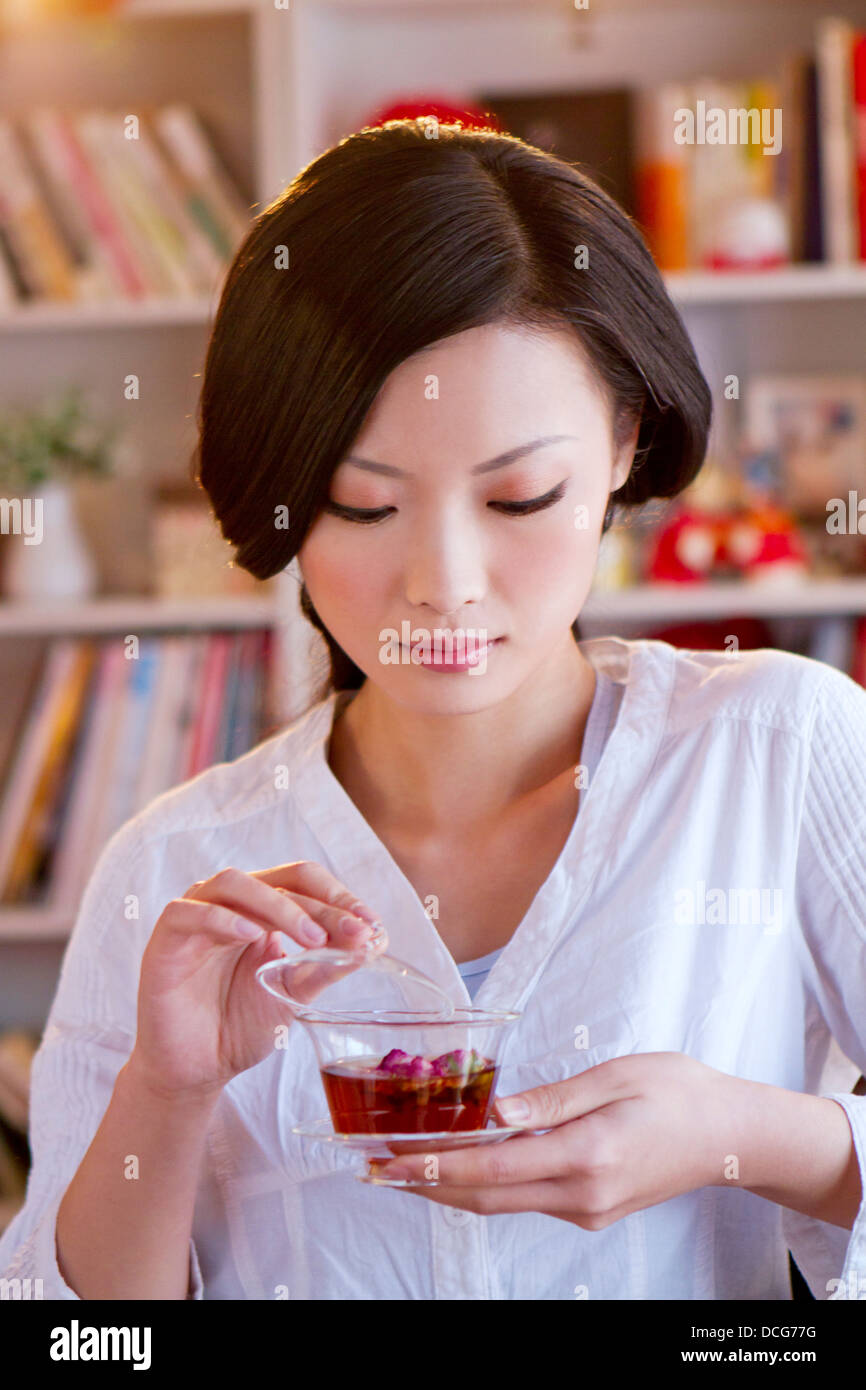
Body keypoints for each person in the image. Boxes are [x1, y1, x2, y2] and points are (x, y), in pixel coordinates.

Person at [1, 120, 865, 1301]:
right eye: (362, 506)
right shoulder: (179, 865)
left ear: (620, 443)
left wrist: (751, 1134)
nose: (442, 582)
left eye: (519, 495)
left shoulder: (777, 749)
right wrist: (168, 1085)